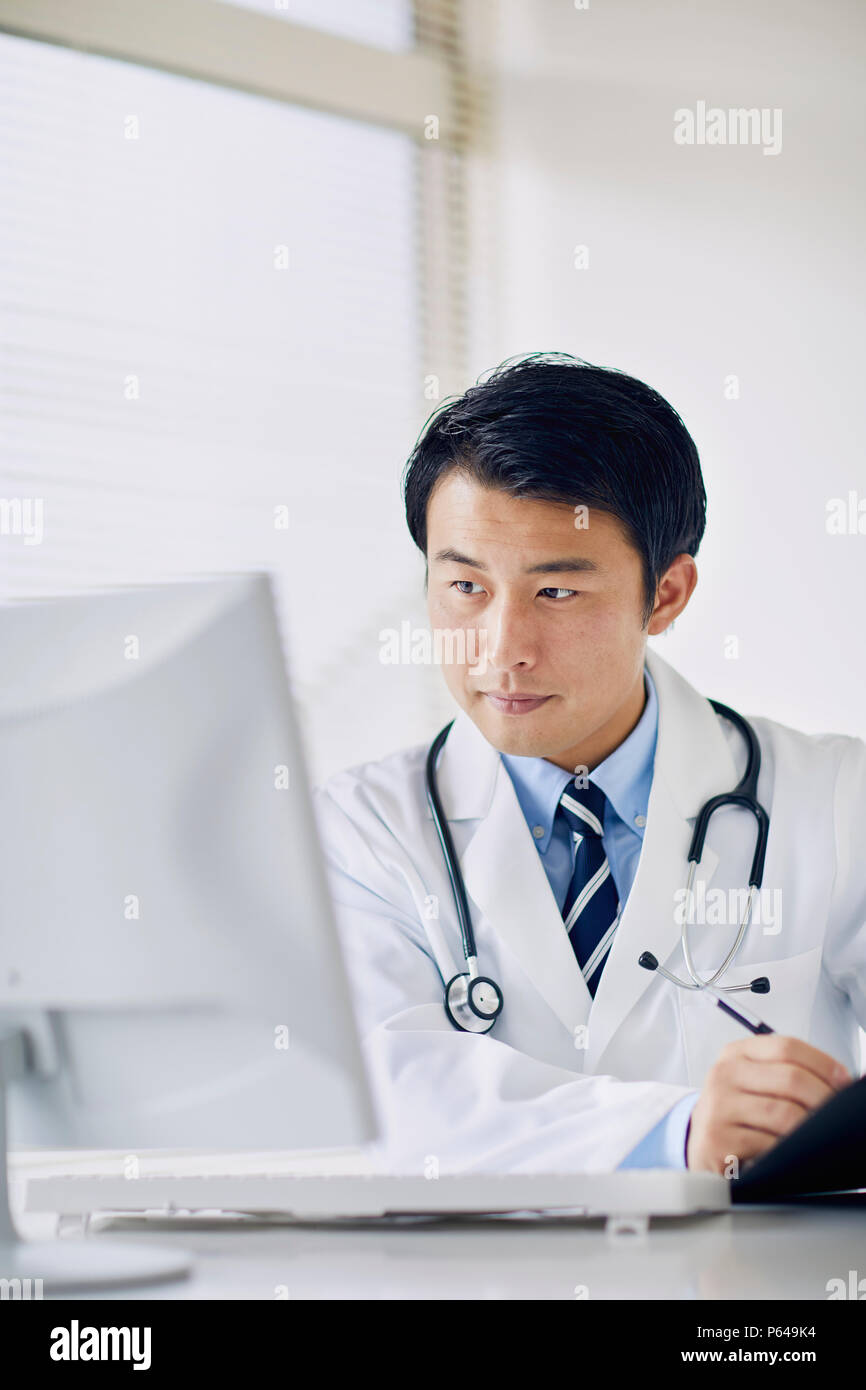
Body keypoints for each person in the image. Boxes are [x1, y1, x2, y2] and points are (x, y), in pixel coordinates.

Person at [313, 353, 863, 1176]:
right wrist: (680, 1133)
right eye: (464, 586)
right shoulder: (361, 830)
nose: (503, 652)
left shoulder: (835, 800)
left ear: (666, 595)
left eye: (556, 593)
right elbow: (386, 1095)